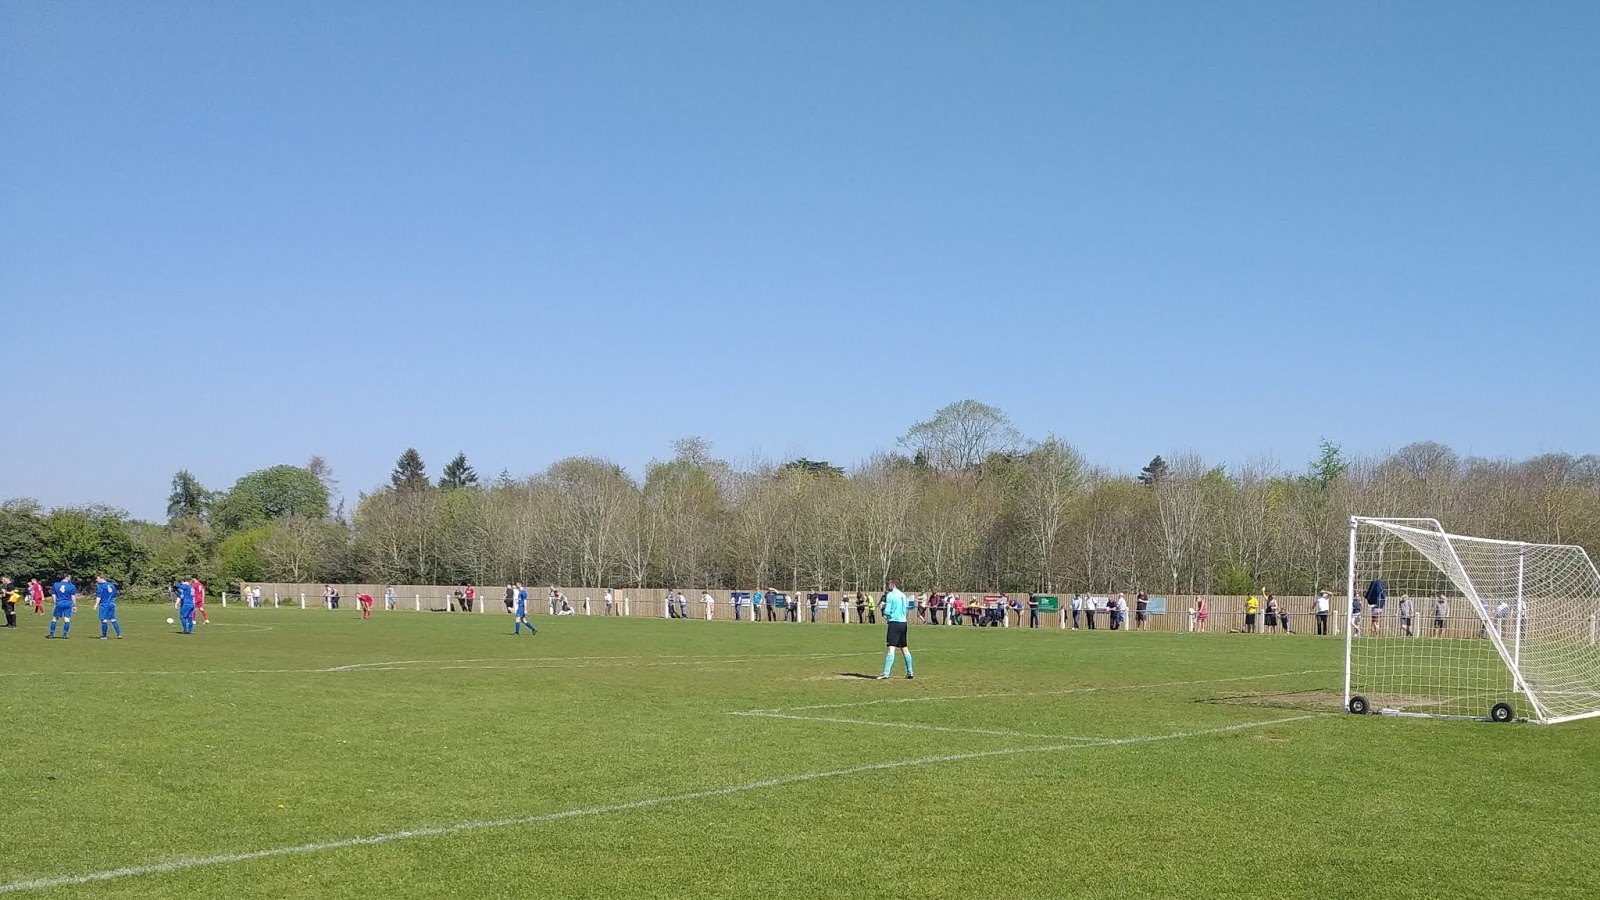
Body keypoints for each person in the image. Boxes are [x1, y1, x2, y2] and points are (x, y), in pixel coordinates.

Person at [877, 579, 914, 680]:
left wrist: (883, 611)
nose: (888, 585)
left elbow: (887, 611)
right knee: (904, 647)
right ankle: (910, 671)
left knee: (891, 647)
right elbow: (905, 610)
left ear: (893, 585)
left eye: (889, 583)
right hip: (903, 623)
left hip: (894, 623)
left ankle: (886, 673)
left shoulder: (890, 595)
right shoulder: (903, 595)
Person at [46, 574, 76, 639]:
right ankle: (64, 635)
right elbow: (73, 596)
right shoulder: (71, 586)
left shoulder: (56, 584)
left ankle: (51, 634)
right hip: (68, 603)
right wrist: (74, 605)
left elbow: (53, 595)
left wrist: (55, 603)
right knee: (67, 619)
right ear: (67, 577)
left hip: (59, 603)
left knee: (55, 619)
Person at [95, 575, 122, 639]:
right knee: (113, 619)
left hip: (104, 605)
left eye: (97, 578)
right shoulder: (111, 585)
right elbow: (115, 594)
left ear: (102, 578)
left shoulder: (100, 586)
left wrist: (96, 604)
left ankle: (104, 636)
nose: (96, 580)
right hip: (111, 604)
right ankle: (119, 634)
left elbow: (99, 596)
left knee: (104, 620)